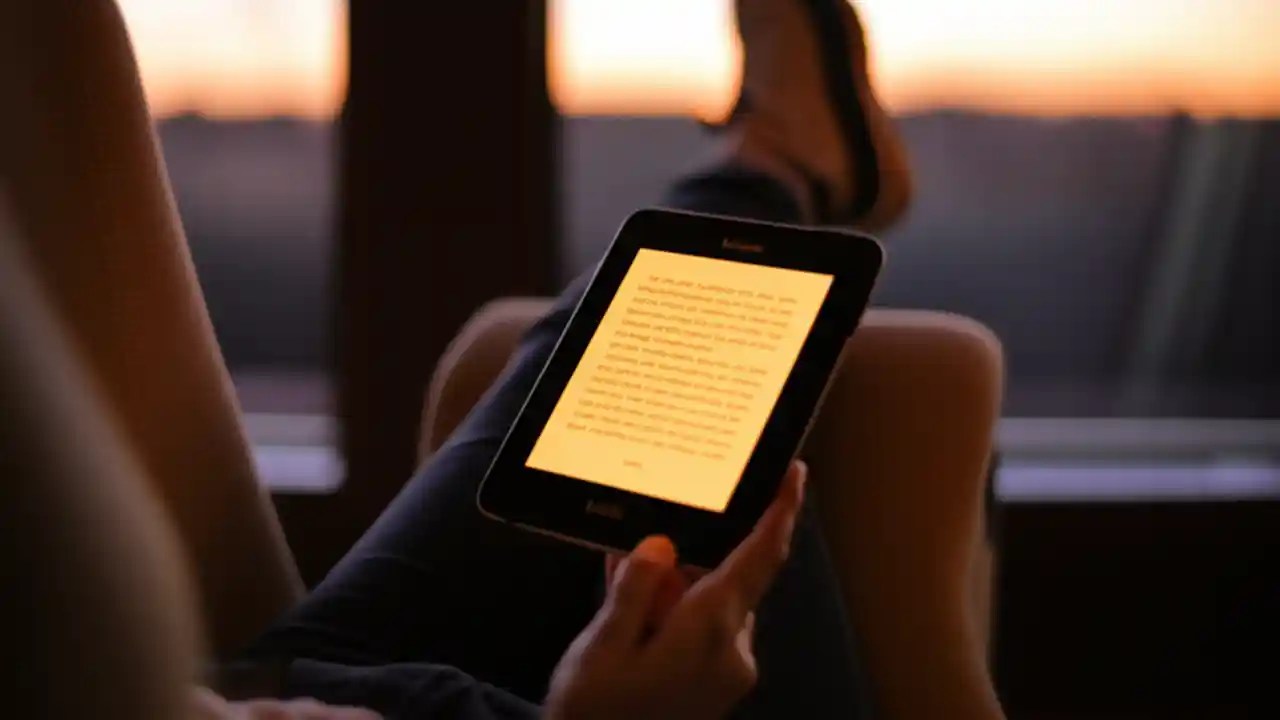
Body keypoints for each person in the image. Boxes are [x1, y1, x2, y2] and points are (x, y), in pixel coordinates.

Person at [1, 0, 1002, 718]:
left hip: (262, 688)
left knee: (595, 347)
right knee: (657, 350)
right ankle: (781, 162)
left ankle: (779, 161)